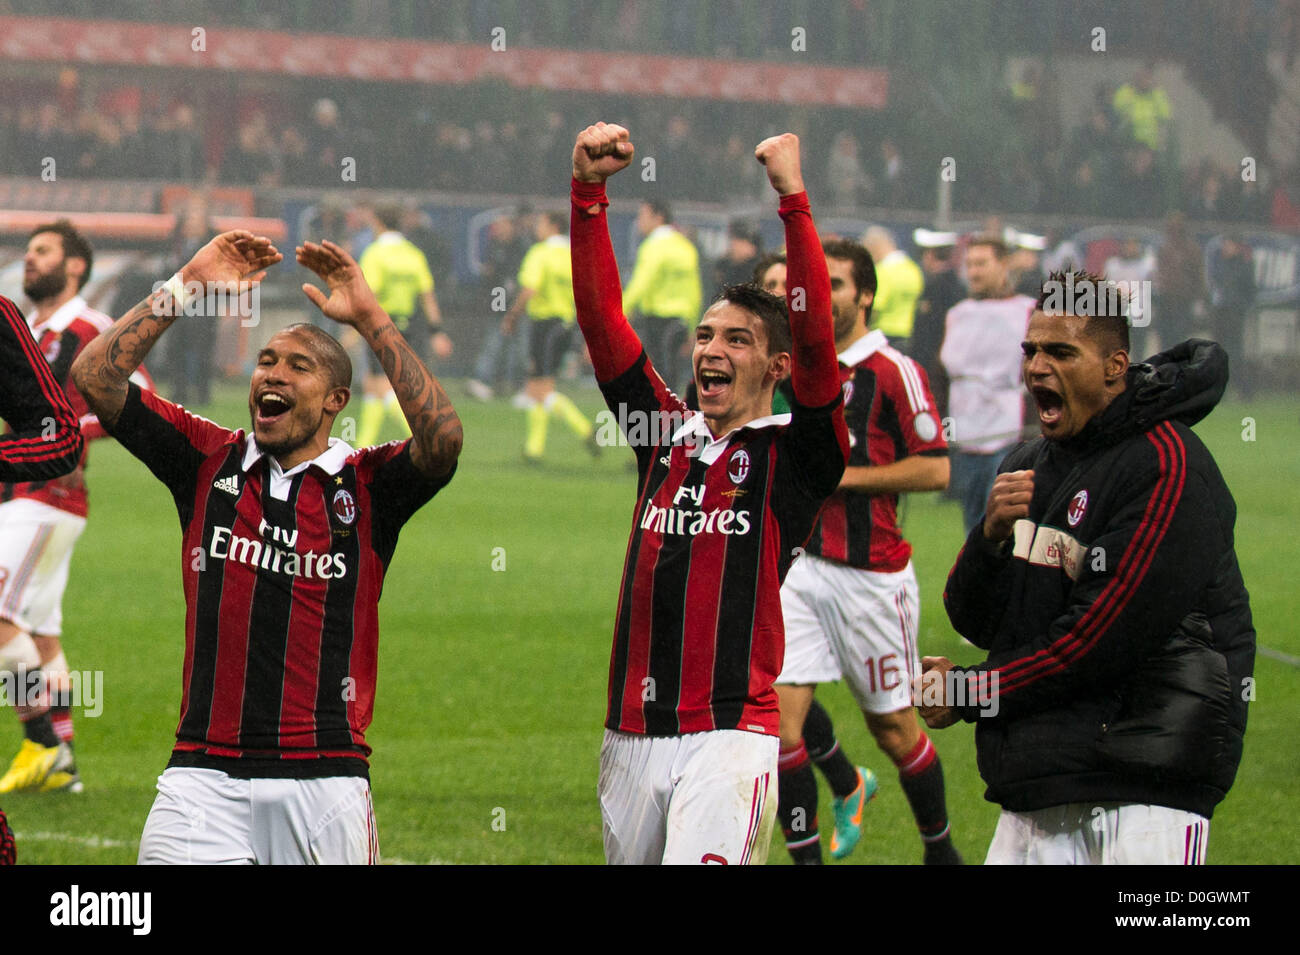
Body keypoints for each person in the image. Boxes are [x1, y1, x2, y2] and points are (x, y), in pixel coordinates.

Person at [70, 231, 463, 864]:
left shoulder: (367, 486)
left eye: (297, 366)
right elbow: (94, 375)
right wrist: (188, 283)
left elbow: (442, 439)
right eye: (266, 361)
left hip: (324, 779)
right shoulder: (206, 459)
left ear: (336, 401)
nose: (273, 374)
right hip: (201, 775)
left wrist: (370, 318)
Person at [570, 122, 847, 865]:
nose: (711, 351)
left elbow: (818, 338)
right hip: (630, 731)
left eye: (737, 340)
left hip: (730, 734)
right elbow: (602, 325)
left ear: (777, 365)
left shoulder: (795, 457)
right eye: (703, 335)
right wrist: (589, 197)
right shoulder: (662, 433)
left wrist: (793, 198)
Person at [919, 269, 1255, 864]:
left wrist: (969, 691)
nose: (1037, 366)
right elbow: (978, 621)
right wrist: (989, 539)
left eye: (1061, 351)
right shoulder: (1030, 464)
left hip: (1146, 786)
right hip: (1043, 780)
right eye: (1031, 350)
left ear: (1114, 366)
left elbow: (1096, 642)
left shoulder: (1166, 466)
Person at [773, 238, 960, 866]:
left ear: (866, 295)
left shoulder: (893, 371)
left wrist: (843, 478)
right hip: (803, 570)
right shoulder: (801, 365)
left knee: (896, 732)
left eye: (839, 285)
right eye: (817, 284)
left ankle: (941, 851)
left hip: (873, 580)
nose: (824, 296)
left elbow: (935, 471)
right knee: (777, 730)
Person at [0, 221, 151, 795]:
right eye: (29, 252)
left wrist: (69, 434)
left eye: (43, 252)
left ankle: (41, 741)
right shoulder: (26, 329)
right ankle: (63, 769)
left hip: (49, 494)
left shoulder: (94, 328)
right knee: (39, 631)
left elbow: (143, 400)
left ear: (77, 267)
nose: (30, 261)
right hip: (21, 495)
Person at [940, 236, 1035, 533]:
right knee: (972, 528)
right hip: (965, 436)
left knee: (1000, 524)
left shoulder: (1027, 310)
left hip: (1006, 434)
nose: (974, 272)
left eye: (981, 263)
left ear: (1003, 265)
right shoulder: (957, 314)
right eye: (969, 264)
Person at [354, 204, 453, 446]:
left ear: (378, 223)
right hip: (407, 326)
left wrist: (355, 326)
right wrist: (437, 332)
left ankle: (421, 433)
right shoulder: (413, 254)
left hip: (380, 325)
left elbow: (369, 294)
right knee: (374, 385)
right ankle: (361, 445)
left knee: (382, 385)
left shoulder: (375, 253)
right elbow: (427, 296)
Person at [502, 210, 597, 462]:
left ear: (552, 225)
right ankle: (534, 449)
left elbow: (529, 289)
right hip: (565, 325)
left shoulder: (540, 252)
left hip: (544, 326)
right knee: (537, 386)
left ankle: (584, 429)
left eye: (541, 223)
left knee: (541, 388)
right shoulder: (574, 253)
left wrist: (512, 316)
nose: (537, 228)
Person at [621, 199, 702, 395]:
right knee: (671, 375)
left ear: (658, 217)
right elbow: (695, 292)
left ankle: (664, 423)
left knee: (657, 377)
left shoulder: (653, 246)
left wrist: (619, 313)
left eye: (642, 215)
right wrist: (693, 327)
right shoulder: (686, 246)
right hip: (680, 322)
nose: (639, 221)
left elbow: (641, 283)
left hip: (659, 321)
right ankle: (673, 421)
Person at [861, 226, 923, 352]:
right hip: (908, 335)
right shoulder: (913, 269)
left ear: (875, 247)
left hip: (883, 335)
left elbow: (873, 307)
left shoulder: (882, 272)